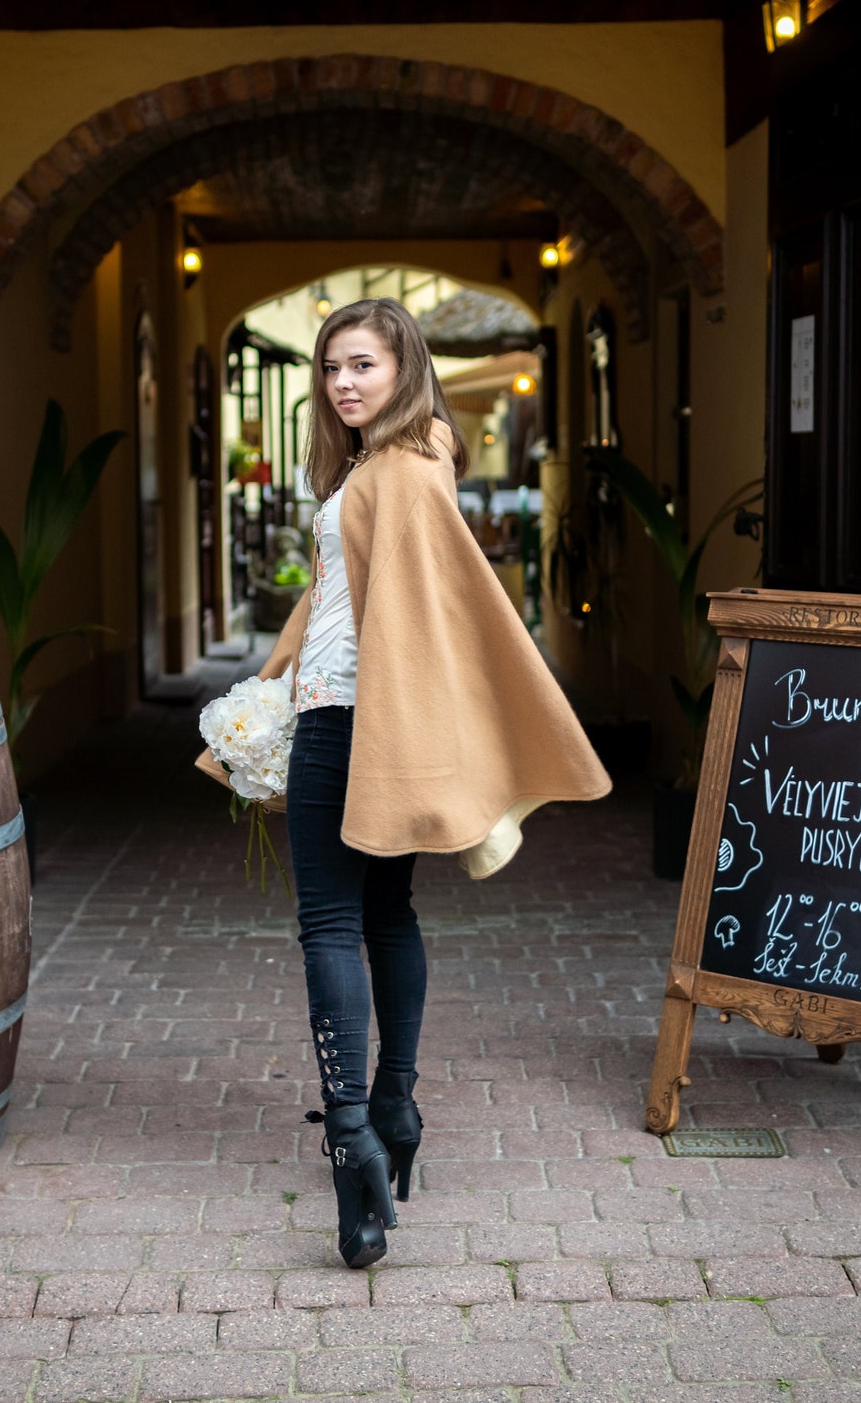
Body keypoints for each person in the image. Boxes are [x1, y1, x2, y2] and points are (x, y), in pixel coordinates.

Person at [249, 297, 611, 1269]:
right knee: (387, 914)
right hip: (367, 722)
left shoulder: (400, 468)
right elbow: (353, 600)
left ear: (405, 367)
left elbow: (406, 620)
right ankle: (397, 1103)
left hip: (344, 724)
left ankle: (351, 1138)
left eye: (361, 364)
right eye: (331, 369)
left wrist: (305, 699)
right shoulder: (403, 461)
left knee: (328, 924)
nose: (343, 383)